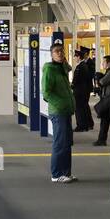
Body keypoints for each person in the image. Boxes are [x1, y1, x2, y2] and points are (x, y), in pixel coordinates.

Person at [41, 40, 77, 182]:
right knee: (60, 143)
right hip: (58, 111)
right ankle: (56, 174)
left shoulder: (62, 68)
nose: (60, 53)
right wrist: (60, 104)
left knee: (67, 143)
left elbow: (69, 68)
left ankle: (66, 173)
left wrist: (64, 62)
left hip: (66, 111)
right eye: (56, 51)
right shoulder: (49, 69)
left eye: (62, 51)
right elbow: (46, 93)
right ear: (51, 54)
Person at [71, 47, 96, 132]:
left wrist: (72, 85)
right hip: (83, 89)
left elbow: (77, 79)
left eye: (75, 56)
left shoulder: (81, 66)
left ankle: (82, 125)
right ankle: (86, 124)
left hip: (80, 90)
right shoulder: (84, 65)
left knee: (79, 108)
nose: (74, 58)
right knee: (83, 107)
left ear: (79, 57)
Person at [92, 55, 110, 146]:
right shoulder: (108, 71)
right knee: (104, 121)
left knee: (105, 121)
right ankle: (101, 139)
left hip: (109, 99)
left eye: (104, 62)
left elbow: (101, 82)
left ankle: (102, 140)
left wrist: (97, 79)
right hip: (107, 98)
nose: (102, 64)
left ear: (109, 63)